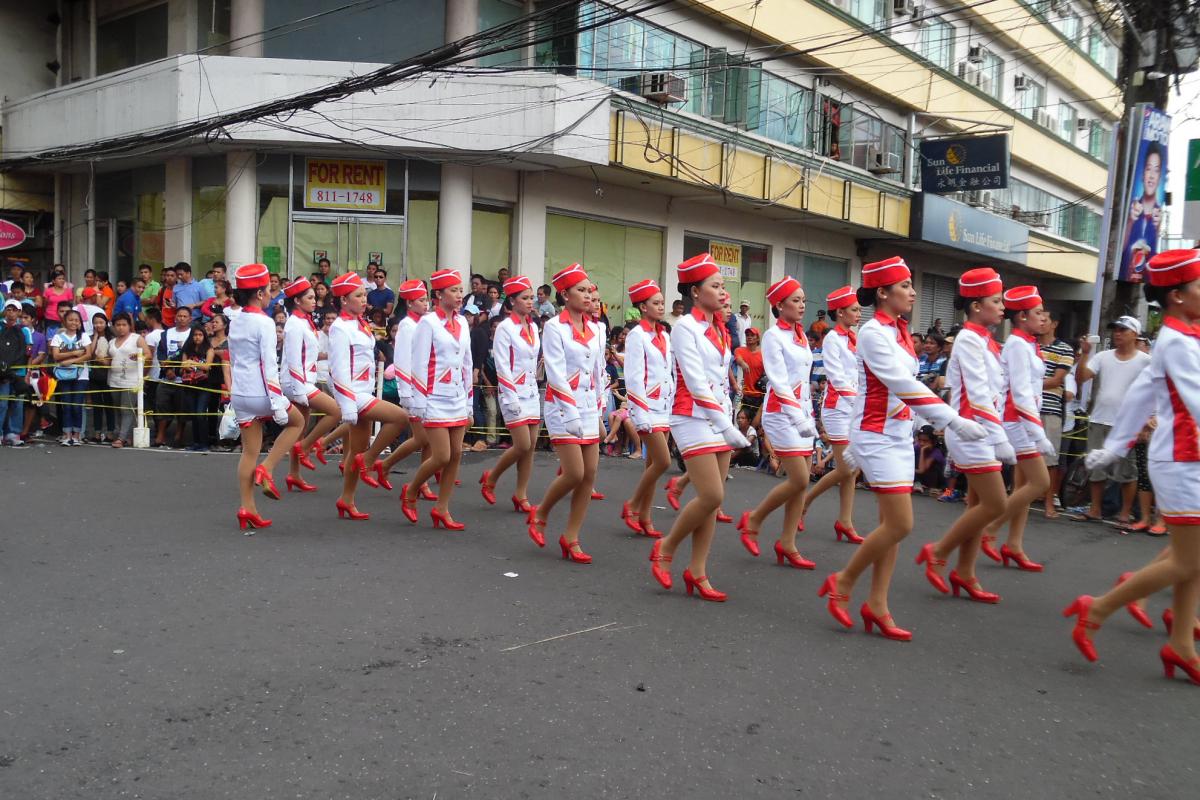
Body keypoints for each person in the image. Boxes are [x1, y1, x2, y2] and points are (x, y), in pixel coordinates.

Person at [819, 257, 987, 641]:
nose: (913, 293)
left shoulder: (899, 332)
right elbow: (899, 384)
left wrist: (925, 421)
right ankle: (842, 582)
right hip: (875, 435)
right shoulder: (873, 334)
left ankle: (877, 604)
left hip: (896, 434)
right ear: (882, 292)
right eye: (906, 286)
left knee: (890, 528)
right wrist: (950, 420)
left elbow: (905, 387)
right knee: (900, 524)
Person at [1066, 248, 1200, 684]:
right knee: (1185, 562)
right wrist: (1117, 447)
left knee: (1190, 560)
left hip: (1186, 456)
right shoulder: (1177, 341)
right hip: (1182, 459)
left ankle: (1181, 644)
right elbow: (1196, 403)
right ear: (1178, 295)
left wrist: (1117, 446)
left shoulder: (1182, 336)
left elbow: (1141, 394)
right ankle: (1099, 607)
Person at [649, 254, 750, 600]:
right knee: (712, 495)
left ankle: (697, 571)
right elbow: (694, 382)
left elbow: (720, 379)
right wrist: (727, 425)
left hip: (718, 416)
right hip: (690, 416)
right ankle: (666, 546)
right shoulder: (684, 328)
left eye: (723, 286)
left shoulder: (720, 327)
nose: (723, 292)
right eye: (716, 286)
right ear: (696, 291)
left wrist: (727, 420)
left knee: (709, 503)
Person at [917, 268, 1013, 605]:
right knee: (996, 503)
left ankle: (965, 572)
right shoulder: (970, 340)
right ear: (975, 305)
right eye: (996, 301)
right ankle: (939, 551)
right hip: (973, 431)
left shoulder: (985, 340)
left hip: (984, 429)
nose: (1003, 307)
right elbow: (978, 393)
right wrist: (998, 435)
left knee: (977, 505)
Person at [736, 277, 819, 569]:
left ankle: (787, 543)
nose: (801, 306)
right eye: (795, 300)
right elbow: (780, 381)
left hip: (802, 412)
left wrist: (808, 414)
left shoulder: (800, 334)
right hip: (782, 414)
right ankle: (754, 519)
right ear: (779, 305)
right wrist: (797, 416)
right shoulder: (773, 336)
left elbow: (803, 379)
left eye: (803, 301)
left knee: (800, 484)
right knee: (799, 479)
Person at [977, 286, 1059, 571]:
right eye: (1038, 313)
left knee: (1025, 485)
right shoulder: (1017, 345)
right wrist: (1038, 433)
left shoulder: (1027, 343)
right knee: (1040, 483)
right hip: (1017, 421)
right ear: (1022, 316)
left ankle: (1014, 544)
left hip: (1024, 419)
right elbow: (1021, 393)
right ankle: (991, 528)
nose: (1044, 319)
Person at [526, 264, 605, 562]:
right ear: (564, 294)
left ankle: (571, 536)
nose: (588, 296)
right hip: (562, 407)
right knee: (575, 472)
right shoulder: (555, 327)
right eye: (581, 290)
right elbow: (556, 374)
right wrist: (571, 412)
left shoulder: (599, 328)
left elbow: (598, 374)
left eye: (589, 290)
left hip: (588, 407)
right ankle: (541, 512)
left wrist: (597, 411)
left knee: (589, 475)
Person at [226, 264, 304, 530]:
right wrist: (277, 402)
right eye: (270, 290)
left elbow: (235, 360)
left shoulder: (235, 320)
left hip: (240, 393)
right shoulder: (265, 322)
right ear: (259, 294)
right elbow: (269, 364)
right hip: (262, 392)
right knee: (297, 423)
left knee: (249, 452)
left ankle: (247, 507)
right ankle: (268, 467)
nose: (273, 294)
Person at [328, 273, 410, 520]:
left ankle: (346, 499)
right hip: (353, 393)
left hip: (362, 390)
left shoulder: (359, 323)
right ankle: (371, 460)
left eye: (364, 295)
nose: (364, 299)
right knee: (400, 417)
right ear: (343, 300)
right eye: (358, 296)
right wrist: (347, 403)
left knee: (356, 449)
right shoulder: (340, 328)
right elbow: (338, 368)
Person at [399, 270, 470, 529]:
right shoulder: (427, 323)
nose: (460, 295)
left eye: (461, 290)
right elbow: (418, 363)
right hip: (434, 397)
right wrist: (418, 401)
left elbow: (467, 362)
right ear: (439, 295)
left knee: (457, 454)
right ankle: (411, 489)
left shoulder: (462, 323)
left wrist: (469, 398)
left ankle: (442, 508)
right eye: (454, 290)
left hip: (457, 396)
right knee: (441, 455)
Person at [1073, 315, 1152, 523]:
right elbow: (1081, 378)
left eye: (1123, 330)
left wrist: (1148, 419)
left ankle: (1125, 513)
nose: (1117, 333)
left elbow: (1155, 391)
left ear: (1135, 334)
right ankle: (1095, 509)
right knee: (1096, 468)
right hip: (1099, 418)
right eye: (1115, 329)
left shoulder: (1145, 361)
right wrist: (1085, 354)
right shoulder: (1103, 356)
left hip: (1127, 424)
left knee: (1127, 472)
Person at [801, 286, 863, 543]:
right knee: (848, 467)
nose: (859, 314)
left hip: (854, 407)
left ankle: (845, 521)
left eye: (859, 309)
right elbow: (836, 378)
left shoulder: (853, 339)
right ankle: (805, 501)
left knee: (852, 469)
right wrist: (859, 401)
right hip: (837, 408)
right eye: (854, 310)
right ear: (840, 312)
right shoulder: (833, 340)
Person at [480, 276, 542, 514]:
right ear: (512, 301)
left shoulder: (534, 326)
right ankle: (491, 477)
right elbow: (502, 364)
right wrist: (511, 396)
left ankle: (521, 494)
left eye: (531, 297)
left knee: (531, 446)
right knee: (522, 444)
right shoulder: (505, 327)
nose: (530, 302)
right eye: (524, 298)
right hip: (512, 393)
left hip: (531, 391)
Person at [619, 279, 674, 538]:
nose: (661, 307)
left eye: (662, 302)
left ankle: (646, 517)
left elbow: (669, 371)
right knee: (663, 462)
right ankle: (631, 505)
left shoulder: (663, 334)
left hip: (663, 405)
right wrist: (640, 414)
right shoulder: (636, 335)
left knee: (652, 465)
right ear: (642, 307)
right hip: (646, 407)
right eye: (656, 303)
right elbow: (633, 377)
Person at [279, 278, 343, 491]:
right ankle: (305, 448)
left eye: (315, 297)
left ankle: (294, 474)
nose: (314, 301)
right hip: (298, 382)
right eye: (309, 298)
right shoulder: (295, 324)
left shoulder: (304, 321)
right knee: (336, 411)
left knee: (300, 428)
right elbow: (294, 359)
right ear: (297, 300)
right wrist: (299, 391)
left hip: (304, 380)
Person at [375, 280, 436, 497]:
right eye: (421, 300)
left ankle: (423, 482)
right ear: (409, 303)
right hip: (413, 389)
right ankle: (386, 464)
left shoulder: (427, 322)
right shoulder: (407, 326)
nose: (426, 304)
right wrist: (406, 394)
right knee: (422, 438)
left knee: (430, 437)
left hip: (429, 386)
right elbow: (402, 361)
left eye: (426, 299)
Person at [1039, 311, 1074, 516]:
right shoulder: (1028, 345)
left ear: (1055, 323)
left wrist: (1027, 385)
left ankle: (1049, 502)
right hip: (1025, 408)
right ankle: (1019, 498)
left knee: (1050, 459)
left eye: (1045, 320)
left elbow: (1056, 380)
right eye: (1038, 319)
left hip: (1051, 409)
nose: (1040, 323)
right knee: (1022, 456)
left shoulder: (1064, 349)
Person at [50, 309, 94, 446]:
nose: (74, 322)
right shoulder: (58, 337)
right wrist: (74, 353)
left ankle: (77, 435)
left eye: (76, 320)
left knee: (76, 405)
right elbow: (55, 356)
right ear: (65, 321)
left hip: (81, 375)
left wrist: (70, 360)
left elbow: (88, 354)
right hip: (63, 375)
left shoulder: (84, 336)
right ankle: (67, 434)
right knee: (67, 405)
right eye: (71, 320)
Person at [152, 305, 194, 448]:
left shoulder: (193, 334)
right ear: (175, 317)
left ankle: (179, 435)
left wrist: (177, 370)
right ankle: (160, 435)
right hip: (166, 377)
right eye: (179, 316)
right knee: (161, 404)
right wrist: (167, 369)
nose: (181, 319)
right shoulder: (166, 333)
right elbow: (161, 353)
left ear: (190, 319)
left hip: (184, 378)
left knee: (182, 407)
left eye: (184, 316)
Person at [0, 300, 33, 445]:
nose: (11, 312)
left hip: (19, 373)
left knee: (17, 404)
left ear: (19, 312)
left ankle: (13, 433)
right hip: (3, 373)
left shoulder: (24, 330)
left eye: (14, 310)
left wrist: (28, 373)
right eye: (9, 309)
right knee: (2, 403)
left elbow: (29, 353)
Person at [178, 324, 214, 451]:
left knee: (200, 413)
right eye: (195, 335)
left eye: (200, 335)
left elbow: (207, 366)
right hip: (189, 384)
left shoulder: (209, 349)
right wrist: (189, 365)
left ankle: (204, 443)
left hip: (204, 384)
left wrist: (192, 363)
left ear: (204, 336)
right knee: (193, 414)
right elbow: (183, 365)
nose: (197, 337)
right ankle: (196, 442)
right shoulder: (187, 349)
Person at [85, 313, 113, 442]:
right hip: (94, 375)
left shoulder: (112, 338)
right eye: (95, 322)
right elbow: (89, 353)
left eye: (101, 322)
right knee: (96, 405)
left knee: (109, 405)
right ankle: (97, 433)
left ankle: (110, 433)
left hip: (109, 375)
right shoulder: (89, 338)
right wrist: (95, 337)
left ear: (106, 323)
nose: (98, 325)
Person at [734, 328, 765, 417]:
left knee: (756, 424)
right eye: (747, 335)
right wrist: (742, 363)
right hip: (742, 394)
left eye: (752, 335)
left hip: (758, 397)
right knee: (740, 421)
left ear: (758, 338)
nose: (749, 337)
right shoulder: (739, 350)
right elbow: (738, 358)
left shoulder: (762, 356)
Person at [43, 269, 74, 337]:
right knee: (51, 337)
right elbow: (44, 304)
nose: (62, 280)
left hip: (65, 318)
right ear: (53, 281)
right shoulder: (48, 291)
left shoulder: (68, 291)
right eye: (59, 278)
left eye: (63, 279)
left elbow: (70, 305)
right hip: (50, 318)